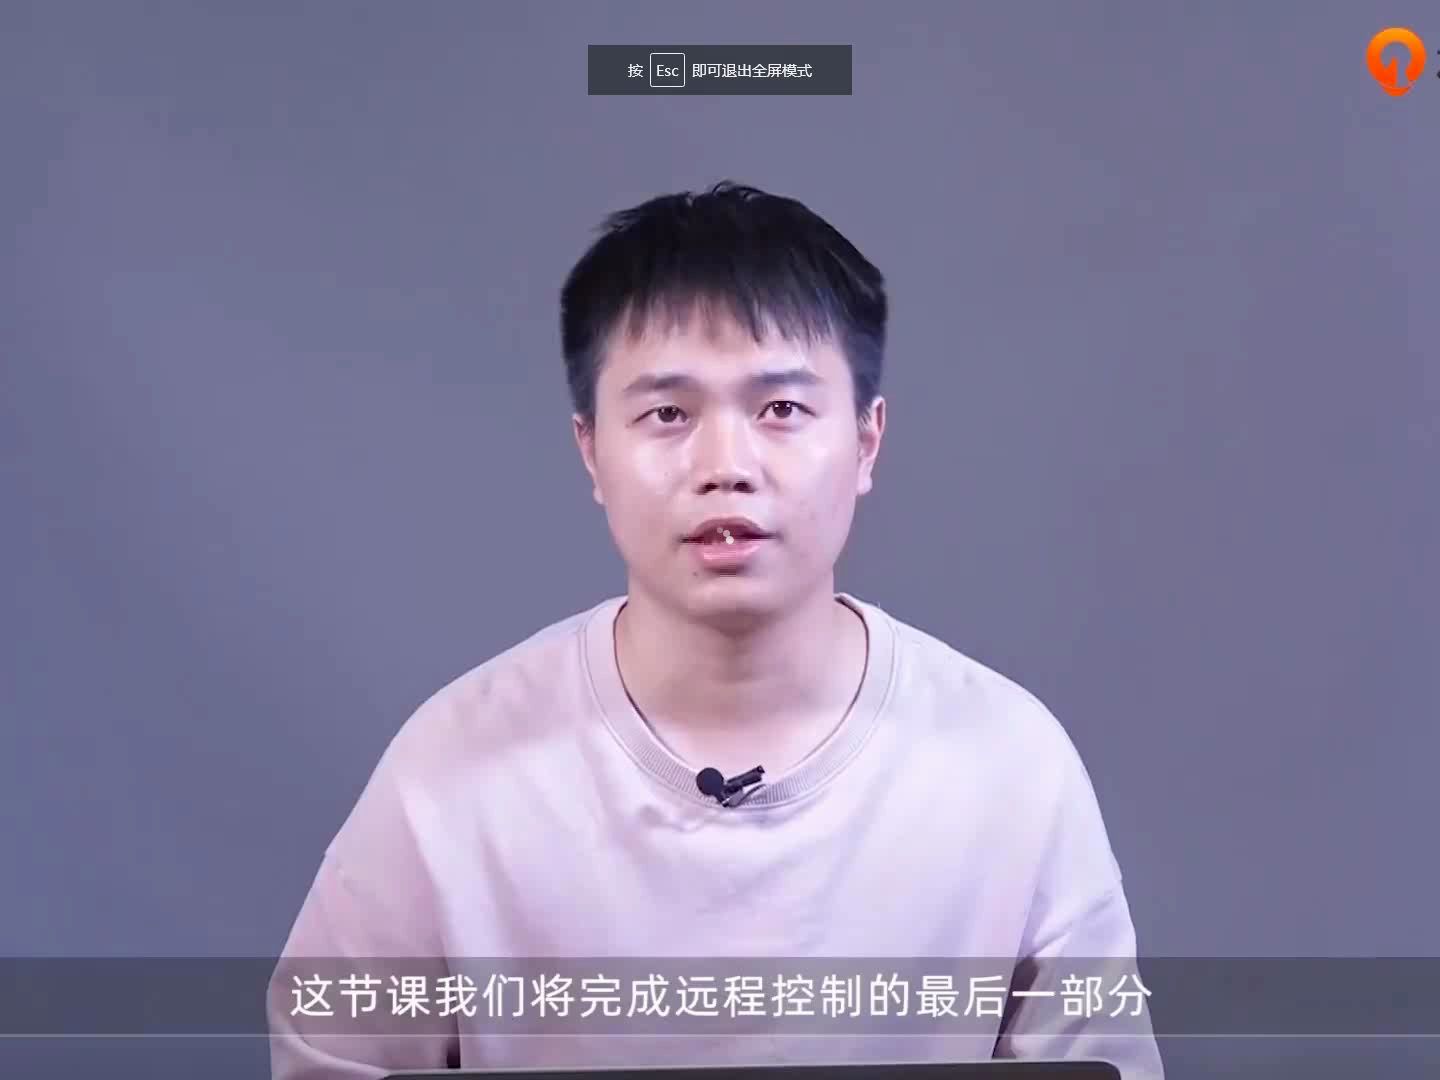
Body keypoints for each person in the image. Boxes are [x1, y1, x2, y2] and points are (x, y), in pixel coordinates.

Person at [268, 182, 1164, 1078]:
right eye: (668, 414)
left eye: (781, 410)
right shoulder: (454, 773)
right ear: (590, 449)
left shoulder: (1010, 767)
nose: (726, 467)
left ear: (867, 440)